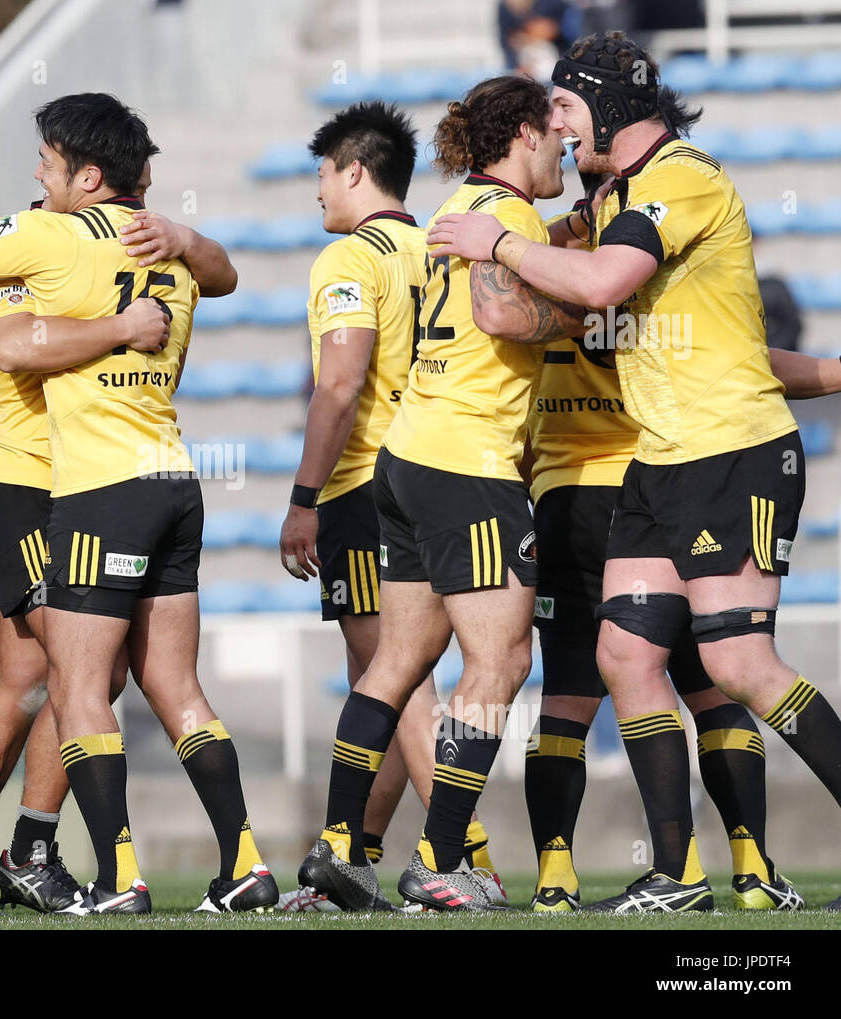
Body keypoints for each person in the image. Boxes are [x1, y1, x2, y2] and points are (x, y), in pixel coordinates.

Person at [428, 31, 841, 913]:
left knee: (739, 665)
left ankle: (746, 858)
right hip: (660, 462)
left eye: (568, 108)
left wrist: (497, 244)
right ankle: (678, 872)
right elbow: (720, 340)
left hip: (731, 453)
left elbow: (605, 282)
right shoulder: (621, 194)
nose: (562, 129)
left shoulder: (682, 176)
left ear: (611, 103)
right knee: (622, 654)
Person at [0, 92, 277, 914]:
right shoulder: (141, 258)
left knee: (76, 680)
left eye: (46, 162)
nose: (33, 174)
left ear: (87, 177)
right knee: (76, 679)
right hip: (46, 486)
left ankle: (50, 855)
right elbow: (15, 342)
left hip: (95, 488)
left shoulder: (47, 241)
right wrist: (135, 311)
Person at [300, 75, 584, 912]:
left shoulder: (450, 214)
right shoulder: (509, 219)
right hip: (468, 462)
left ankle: (340, 850)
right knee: (502, 658)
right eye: (556, 133)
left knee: (396, 662)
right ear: (526, 134)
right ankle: (440, 855)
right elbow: (502, 317)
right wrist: (590, 311)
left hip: (404, 458)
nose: (567, 146)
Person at [525, 195, 802, 910]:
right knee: (714, 684)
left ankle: (559, 877)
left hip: (569, 495)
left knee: (570, 693)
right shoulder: (644, 274)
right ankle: (751, 866)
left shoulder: (542, 276)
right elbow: (740, 358)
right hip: (656, 483)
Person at [277, 101, 504, 910]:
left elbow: (338, 385)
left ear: (353, 170)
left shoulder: (350, 258)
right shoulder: (440, 245)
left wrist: (304, 497)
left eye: (321, 176)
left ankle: (461, 854)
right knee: (379, 677)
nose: (316, 195)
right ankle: (354, 860)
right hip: (447, 475)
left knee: (398, 681)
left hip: (369, 490)